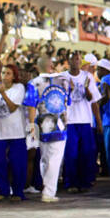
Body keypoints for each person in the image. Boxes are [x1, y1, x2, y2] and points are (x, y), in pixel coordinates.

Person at [28, 55, 70, 202]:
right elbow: (67, 102)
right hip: (59, 127)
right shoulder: (63, 81)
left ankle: (47, 187)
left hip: (40, 126)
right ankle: (49, 192)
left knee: (44, 159)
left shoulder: (33, 83)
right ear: (51, 66)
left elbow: (31, 106)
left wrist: (31, 127)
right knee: (55, 159)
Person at [0, 62, 28, 201]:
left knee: (17, 163)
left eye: (8, 73)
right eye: (3, 73)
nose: (5, 76)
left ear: (14, 76)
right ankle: (3, 190)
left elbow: (12, 108)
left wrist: (3, 93)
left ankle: (18, 192)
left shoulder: (19, 88)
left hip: (16, 132)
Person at [62, 51, 101, 192]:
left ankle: (85, 181)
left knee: (87, 152)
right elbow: (59, 100)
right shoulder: (62, 77)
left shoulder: (88, 77)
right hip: (69, 121)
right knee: (71, 153)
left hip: (85, 120)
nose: (77, 61)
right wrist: (69, 90)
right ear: (69, 61)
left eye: (79, 59)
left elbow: (92, 100)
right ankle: (70, 182)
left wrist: (85, 88)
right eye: (74, 58)